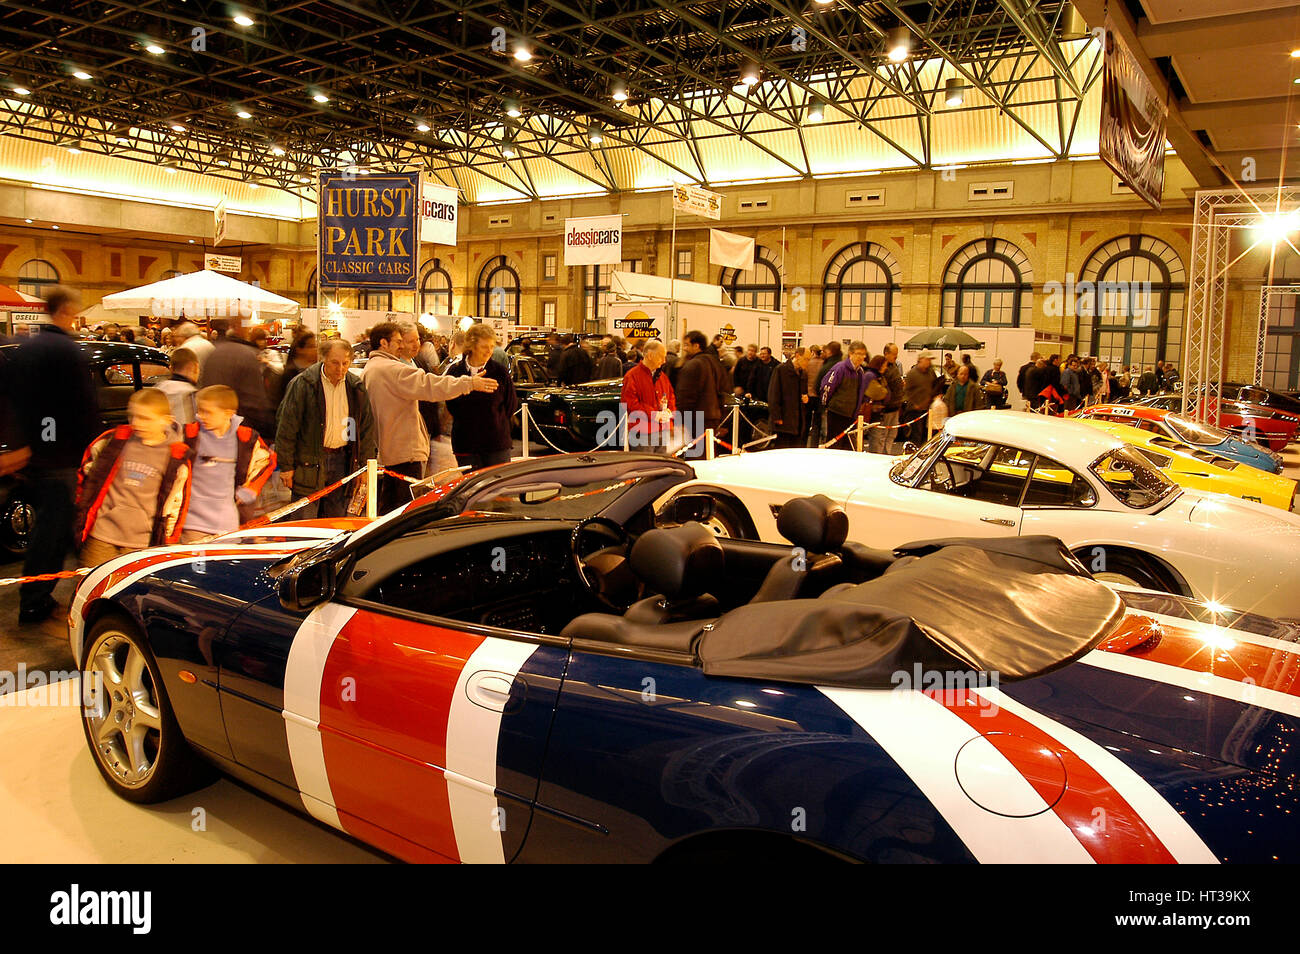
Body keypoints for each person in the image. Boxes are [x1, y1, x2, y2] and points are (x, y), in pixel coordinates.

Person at [10, 287, 102, 623]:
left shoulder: (27, 348)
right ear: (67, 310)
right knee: (52, 529)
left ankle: (55, 591)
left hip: (35, 452)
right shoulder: (67, 351)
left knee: (57, 527)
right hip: (62, 455)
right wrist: (91, 450)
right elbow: (84, 406)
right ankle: (34, 599)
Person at [363, 321, 497, 512]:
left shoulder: (372, 367)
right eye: (398, 341)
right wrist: (469, 384)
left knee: (389, 508)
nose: (402, 345)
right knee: (404, 511)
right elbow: (430, 385)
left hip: (390, 450)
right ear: (383, 343)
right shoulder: (392, 370)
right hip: (403, 452)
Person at [74, 389, 193, 567]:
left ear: (166, 420)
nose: (136, 423)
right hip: (102, 536)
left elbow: (178, 503)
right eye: (133, 416)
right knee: (91, 588)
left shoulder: (176, 456)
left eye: (145, 418)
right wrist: (80, 515)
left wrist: (168, 542)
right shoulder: (114, 441)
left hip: (141, 543)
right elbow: (87, 476)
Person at [276, 339, 377, 519]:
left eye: (345, 363)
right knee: (304, 522)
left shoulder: (355, 387)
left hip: (342, 463)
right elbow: (287, 427)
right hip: (309, 461)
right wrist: (286, 466)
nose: (340, 368)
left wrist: (363, 465)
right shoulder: (303, 384)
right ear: (323, 359)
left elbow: (362, 429)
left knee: (335, 522)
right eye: (334, 363)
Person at [180, 385, 275, 541]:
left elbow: (267, 461)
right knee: (195, 566)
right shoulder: (190, 434)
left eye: (207, 412)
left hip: (227, 524)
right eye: (199, 410)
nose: (201, 416)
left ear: (228, 414)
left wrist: (250, 490)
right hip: (192, 524)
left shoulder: (246, 438)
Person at [446, 323, 516, 470]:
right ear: (472, 346)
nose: (489, 351)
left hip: (496, 443)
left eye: (492, 346)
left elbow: (510, 404)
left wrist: (495, 421)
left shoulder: (500, 372)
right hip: (465, 442)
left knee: (497, 487)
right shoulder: (455, 371)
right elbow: (451, 404)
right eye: (485, 347)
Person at [199, 320, 277, 439]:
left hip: (212, 426)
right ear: (239, 329)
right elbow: (255, 402)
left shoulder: (214, 352)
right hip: (239, 428)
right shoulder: (247, 355)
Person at [675, 330, 730, 449]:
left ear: (696, 346)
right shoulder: (714, 363)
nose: (684, 349)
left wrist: (680, 420)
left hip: (696, 419)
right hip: (712, 417)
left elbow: (685, 396)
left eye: (686, 345)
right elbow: (723, 392)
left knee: (695, 456)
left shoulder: (693, 365)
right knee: (708, 453)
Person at [620, 339, 676, 453]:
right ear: (650, 355)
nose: (664, 361)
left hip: (662, 430)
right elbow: (629, 403)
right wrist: (653, 414)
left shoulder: (662, 377)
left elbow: (671, 397)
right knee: (644, 469)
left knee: (662, 467)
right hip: (643, 433)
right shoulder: (632, 376)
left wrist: (669, 412)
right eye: (661, 357)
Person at [820, 341, 871, 450]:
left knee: (848, 447)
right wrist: (827, 404)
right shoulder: (840, 368)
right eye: (858, 353)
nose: (861, 357)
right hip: (837, 413)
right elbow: (826, 387)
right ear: (850, 354)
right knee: (834, 445)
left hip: (852, 415)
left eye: (863, 354)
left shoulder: (860, 372)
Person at [767, 347, 809, 450]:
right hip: (783, 422)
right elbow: (773, 394)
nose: (807, 363)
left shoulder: (803, 374)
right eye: (806, 359)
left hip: (798, 422)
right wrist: (777, 416)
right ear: (798, 356)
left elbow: (804, 394)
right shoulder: (781, 370)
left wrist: (806, 399)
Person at [871, 343, 905, 454]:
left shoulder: (894, 366)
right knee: (881, 435)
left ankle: (887, 454)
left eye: (897, 354)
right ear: (886, 354)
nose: (896, 356)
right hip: (885, 408)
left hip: (895, 406)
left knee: (892, 434)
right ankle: (879, 456)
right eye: (894, 354)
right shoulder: (881, 368)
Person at [155, 346, 200, 426]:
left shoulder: (157, 388)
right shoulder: (190, 394)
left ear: (171, 369)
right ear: (195, 367)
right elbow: (189, 428)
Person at [903, 351, 937, 445]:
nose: (929, 362)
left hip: (927, 409)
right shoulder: (911, 374)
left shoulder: (931, 373)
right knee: (916, 435)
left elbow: (935, 386)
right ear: (920, 360)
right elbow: (906, 392)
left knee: (926, 435)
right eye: (927, 360)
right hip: (915, 410)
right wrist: (914, 404)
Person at [280, 330, 319, 396]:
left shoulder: (315, 370)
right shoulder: (291, 374)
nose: (315, 350)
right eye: (311, 346)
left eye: (315, 346)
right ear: (299, 350)